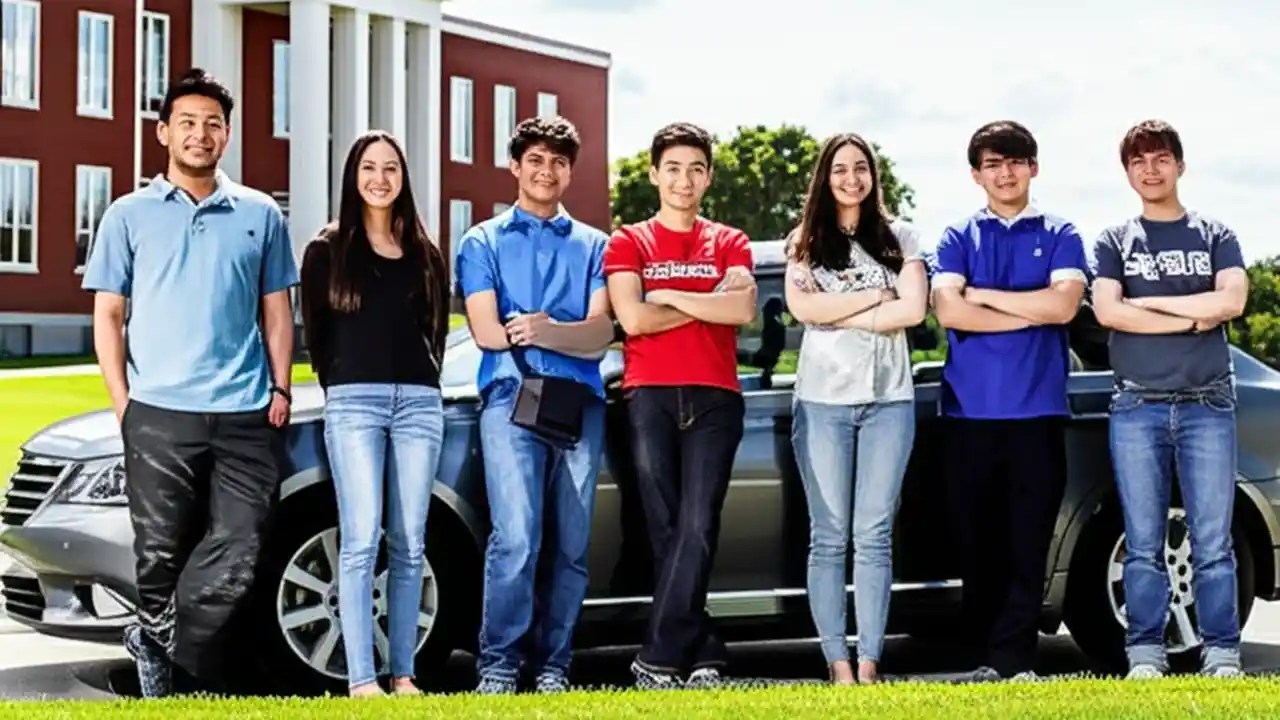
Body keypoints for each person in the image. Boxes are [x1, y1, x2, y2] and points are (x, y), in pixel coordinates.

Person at [80, 68, 298, 696]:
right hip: (158, 410)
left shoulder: (260, 213)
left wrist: (280, 387)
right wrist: (124, 404)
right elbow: (109, 314)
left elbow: (277, 310)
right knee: (159, 550)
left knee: (241, 545)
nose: (201, 134)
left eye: (213, 124)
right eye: (188, 123)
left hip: (244, 410)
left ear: (227, 135)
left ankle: (159, 638)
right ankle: (181, 676)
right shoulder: (128, 215)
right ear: (164, 132)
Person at [454, 116, 615, 694]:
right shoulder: (482, 241)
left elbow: (600, 335)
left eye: (559, 162)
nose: (547, 171)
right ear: (515, 165)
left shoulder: (597, 245)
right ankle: (498, 664)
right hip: (509, 399)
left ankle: (554, 666)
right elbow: (487, 331)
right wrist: (562, 331)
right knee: (517, 536)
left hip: (580, 404)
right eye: (536, 160)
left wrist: (542, 328)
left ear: (570, 171)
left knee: (571, 544)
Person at [1090, 119, 1249, 679]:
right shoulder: (1114, 241)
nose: (1150, 170)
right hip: (1138, 406)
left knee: (1212, 539)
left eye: (1160, 159)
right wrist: (1190, 316)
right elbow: (1108, 312)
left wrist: (1149, 307)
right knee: (1141, 540)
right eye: (1139, 161)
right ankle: (1145, 653)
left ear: (1180, 165)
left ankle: (1222, 652)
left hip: (1209, 403)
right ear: (1127, 171)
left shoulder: (1215, 233)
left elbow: (1230, 302)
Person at [930, 120, 1087, 681]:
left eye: (1015, 161)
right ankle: (981, 660)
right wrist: (1030, 308)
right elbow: (949, 311)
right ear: (977, 174)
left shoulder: (1063, 231)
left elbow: (1065, 307)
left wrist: (988, 299)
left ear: (1033, 168)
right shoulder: (954, 237)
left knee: (1026, 544)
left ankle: (1016, 661)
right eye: (993, 163)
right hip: (968, 415)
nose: (1005, 172)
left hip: (1038, 413)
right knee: (977, 545)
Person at [604, 122, 758, 690]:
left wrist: (666, 293)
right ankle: (705, 650)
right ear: (654, 174)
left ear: (709, 177)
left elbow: (742, 309)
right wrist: (703, 303)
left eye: (696, 168)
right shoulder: (628, 241)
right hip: (649, 396)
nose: (684, 179)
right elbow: (635, 320)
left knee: (698, 523)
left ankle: (658, 658)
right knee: (667, 528)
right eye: (673, 167)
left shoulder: (730, 240)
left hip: (716, 397)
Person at [299, 130, 450, 696]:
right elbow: (316, 333)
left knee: (410, 541)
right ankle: (362, 679)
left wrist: (421, 383)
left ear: (403, 178)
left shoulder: (426, 253)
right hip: (354, 404)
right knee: (362, 538)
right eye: (369, 168)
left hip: (418, 405)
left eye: (391, 168)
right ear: (353, 177)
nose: (380, 178)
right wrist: (341, 385)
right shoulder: (326, 249)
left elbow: (433, 329)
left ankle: (404, 673)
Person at [783, 133, 928, 685]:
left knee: (872, 533)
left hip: (889, 400)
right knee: (829, 533)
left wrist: (835, 312)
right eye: (840, 168)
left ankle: (869, 662)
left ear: (873, 176)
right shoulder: (805, 240)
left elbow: (913, 310)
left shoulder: (902, 236)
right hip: (823, 402)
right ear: (825, 176)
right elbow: (802, 307)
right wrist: (874, 299)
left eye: (861, 168)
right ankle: (836, 663)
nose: (851, 178)